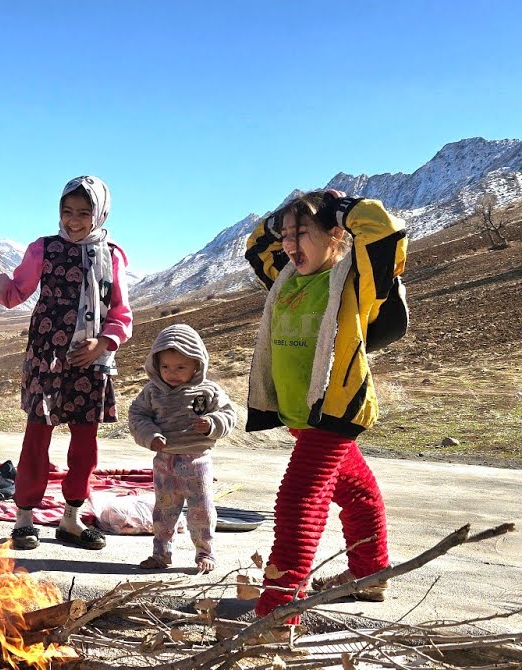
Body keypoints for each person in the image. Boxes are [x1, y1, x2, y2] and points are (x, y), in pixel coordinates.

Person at [244, 189, 408, 624]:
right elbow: (254, 246)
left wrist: (338, 206)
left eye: (303, 233)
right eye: (287, 235)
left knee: (298, 502)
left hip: (335, 411)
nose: (290, 243)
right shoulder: (286, 277)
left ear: (336, 235)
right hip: (302, 414)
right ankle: (371, 574)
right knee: (356, 493)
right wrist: (286, 215)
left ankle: (278, 613)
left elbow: (384, 231)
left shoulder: (354, 281)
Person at [0, 176, 133, 551]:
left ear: (100, 213)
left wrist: (102, 343)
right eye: (67, 212)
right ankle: (25, 518)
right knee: (36, 440)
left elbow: (121, 312)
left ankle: (71, 520)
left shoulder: (112, 255)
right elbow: (15, 293)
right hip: (46, 357)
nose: (74, 221)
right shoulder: (43, 249)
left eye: (83, 213)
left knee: (84, 447)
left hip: (91, 363)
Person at [128, 323, 237, 574]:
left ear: (197, 365)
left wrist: (212, 423)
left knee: (201, 509)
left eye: (180, 367)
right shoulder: (151, 392)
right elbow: (137, 417)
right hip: (164, 461)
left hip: (197, 461)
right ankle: (161, 552)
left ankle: (205, 553)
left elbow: (228, 414)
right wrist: (150, 435)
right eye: (165, 367)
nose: (172, 373)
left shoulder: (208, 391)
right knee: (164, 509)